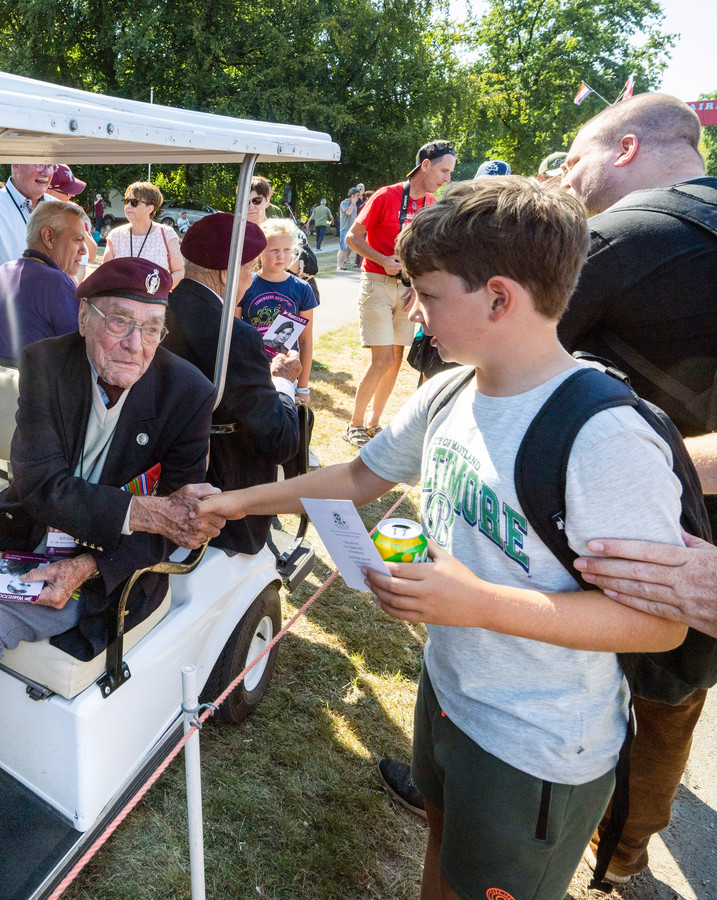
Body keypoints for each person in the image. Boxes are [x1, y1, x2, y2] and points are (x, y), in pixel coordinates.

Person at [198, 177, 688, 900]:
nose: (412, 310)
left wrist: (476, 602)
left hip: (537, 744)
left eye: (425, 293)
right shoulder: (451, 389)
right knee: (440, 839)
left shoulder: (605, 437)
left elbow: (659, 625)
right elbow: (359, 478)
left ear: (497, 297)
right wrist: (234, 498)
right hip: (453, 685)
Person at [0, 257, 222, 800]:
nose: (136, 343)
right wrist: (142, 510)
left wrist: (87, 567)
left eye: (152, 327)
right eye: (119, 322)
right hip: (22, 531)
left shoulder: (189, 393)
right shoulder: (45, 363)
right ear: (84, 316)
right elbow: (37, 483)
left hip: (109, 569)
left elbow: (174, 528)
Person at [554, 92, 717, 886]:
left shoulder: (617, 237)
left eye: (575, 157)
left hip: (637, 534)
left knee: (613, 683)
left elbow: (508, 368)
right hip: (696, 536)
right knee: (671, 702)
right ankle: (620, 848)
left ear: (623, 150)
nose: (566, 176)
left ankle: (606, 847)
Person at [162, 213, 300, 555]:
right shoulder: (236, 337)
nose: (251, 279)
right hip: (220, 495)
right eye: (250, 269)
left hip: (160, 469)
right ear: (226, 273)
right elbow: (279, 442)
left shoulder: (159, 308)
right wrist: (282, 383)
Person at [344, 139, 456, 447]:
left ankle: (374, 424)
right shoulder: (387, 195)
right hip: (377, 283)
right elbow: (352, 238)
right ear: (425, 165)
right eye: (444, 171)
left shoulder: (431, 204)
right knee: (380, 359)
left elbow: (431, 251)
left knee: (394, 359)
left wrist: (418, 288)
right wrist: (382, 259)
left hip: (407, 291)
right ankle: (354, 424)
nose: (446, 179)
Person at [0, 199, 88, 359]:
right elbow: (85, 349)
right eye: (77, 240)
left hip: (1, 379)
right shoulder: (55, 282)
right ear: (49, 237)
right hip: (39, 382)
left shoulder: (1, 272)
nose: (83, 250)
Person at [0, 163, 58, 352]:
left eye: (51, 165)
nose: (46, 172)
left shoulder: (58, 209)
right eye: (39, 164)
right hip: (4, 344)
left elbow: (76, 262)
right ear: (16, 163)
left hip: (49, 342)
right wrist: (43, 298)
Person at [237, 218, 317, 401]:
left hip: (287, 373)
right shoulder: (245, 285)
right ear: (259, 253)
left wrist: (303, 387)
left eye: (287, 250)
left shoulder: (302, 289)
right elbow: (234, 333)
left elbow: (305, 341)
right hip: (251, 371)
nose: (281, 256)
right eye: (274, 250)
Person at [101, 180, 184, 283]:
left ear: (149, 209)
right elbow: (104, 274)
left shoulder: (166, 234)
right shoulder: (115, 235)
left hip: (154, 297)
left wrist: (158, 287)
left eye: (134, 202)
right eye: (126, 201)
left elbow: (179, 272)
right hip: (121, 298)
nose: (128, 206)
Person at [42, 164, 99, 278]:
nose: (73, 195)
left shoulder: (74, 210)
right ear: (48, 190)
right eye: (67, 191)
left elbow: (91, 255)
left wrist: (79, 225)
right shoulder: (31, 214)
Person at [336, 187, 362, 269]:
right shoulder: (345, 203)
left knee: (348, 248)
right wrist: (353, 203)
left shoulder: (353, 204)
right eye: (357, 195)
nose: (358, 197)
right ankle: (339, 265)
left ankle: (342, 264)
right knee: (343, 248)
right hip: (345, 228)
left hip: (351, 229)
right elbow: (348, 212)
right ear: (352, 196)